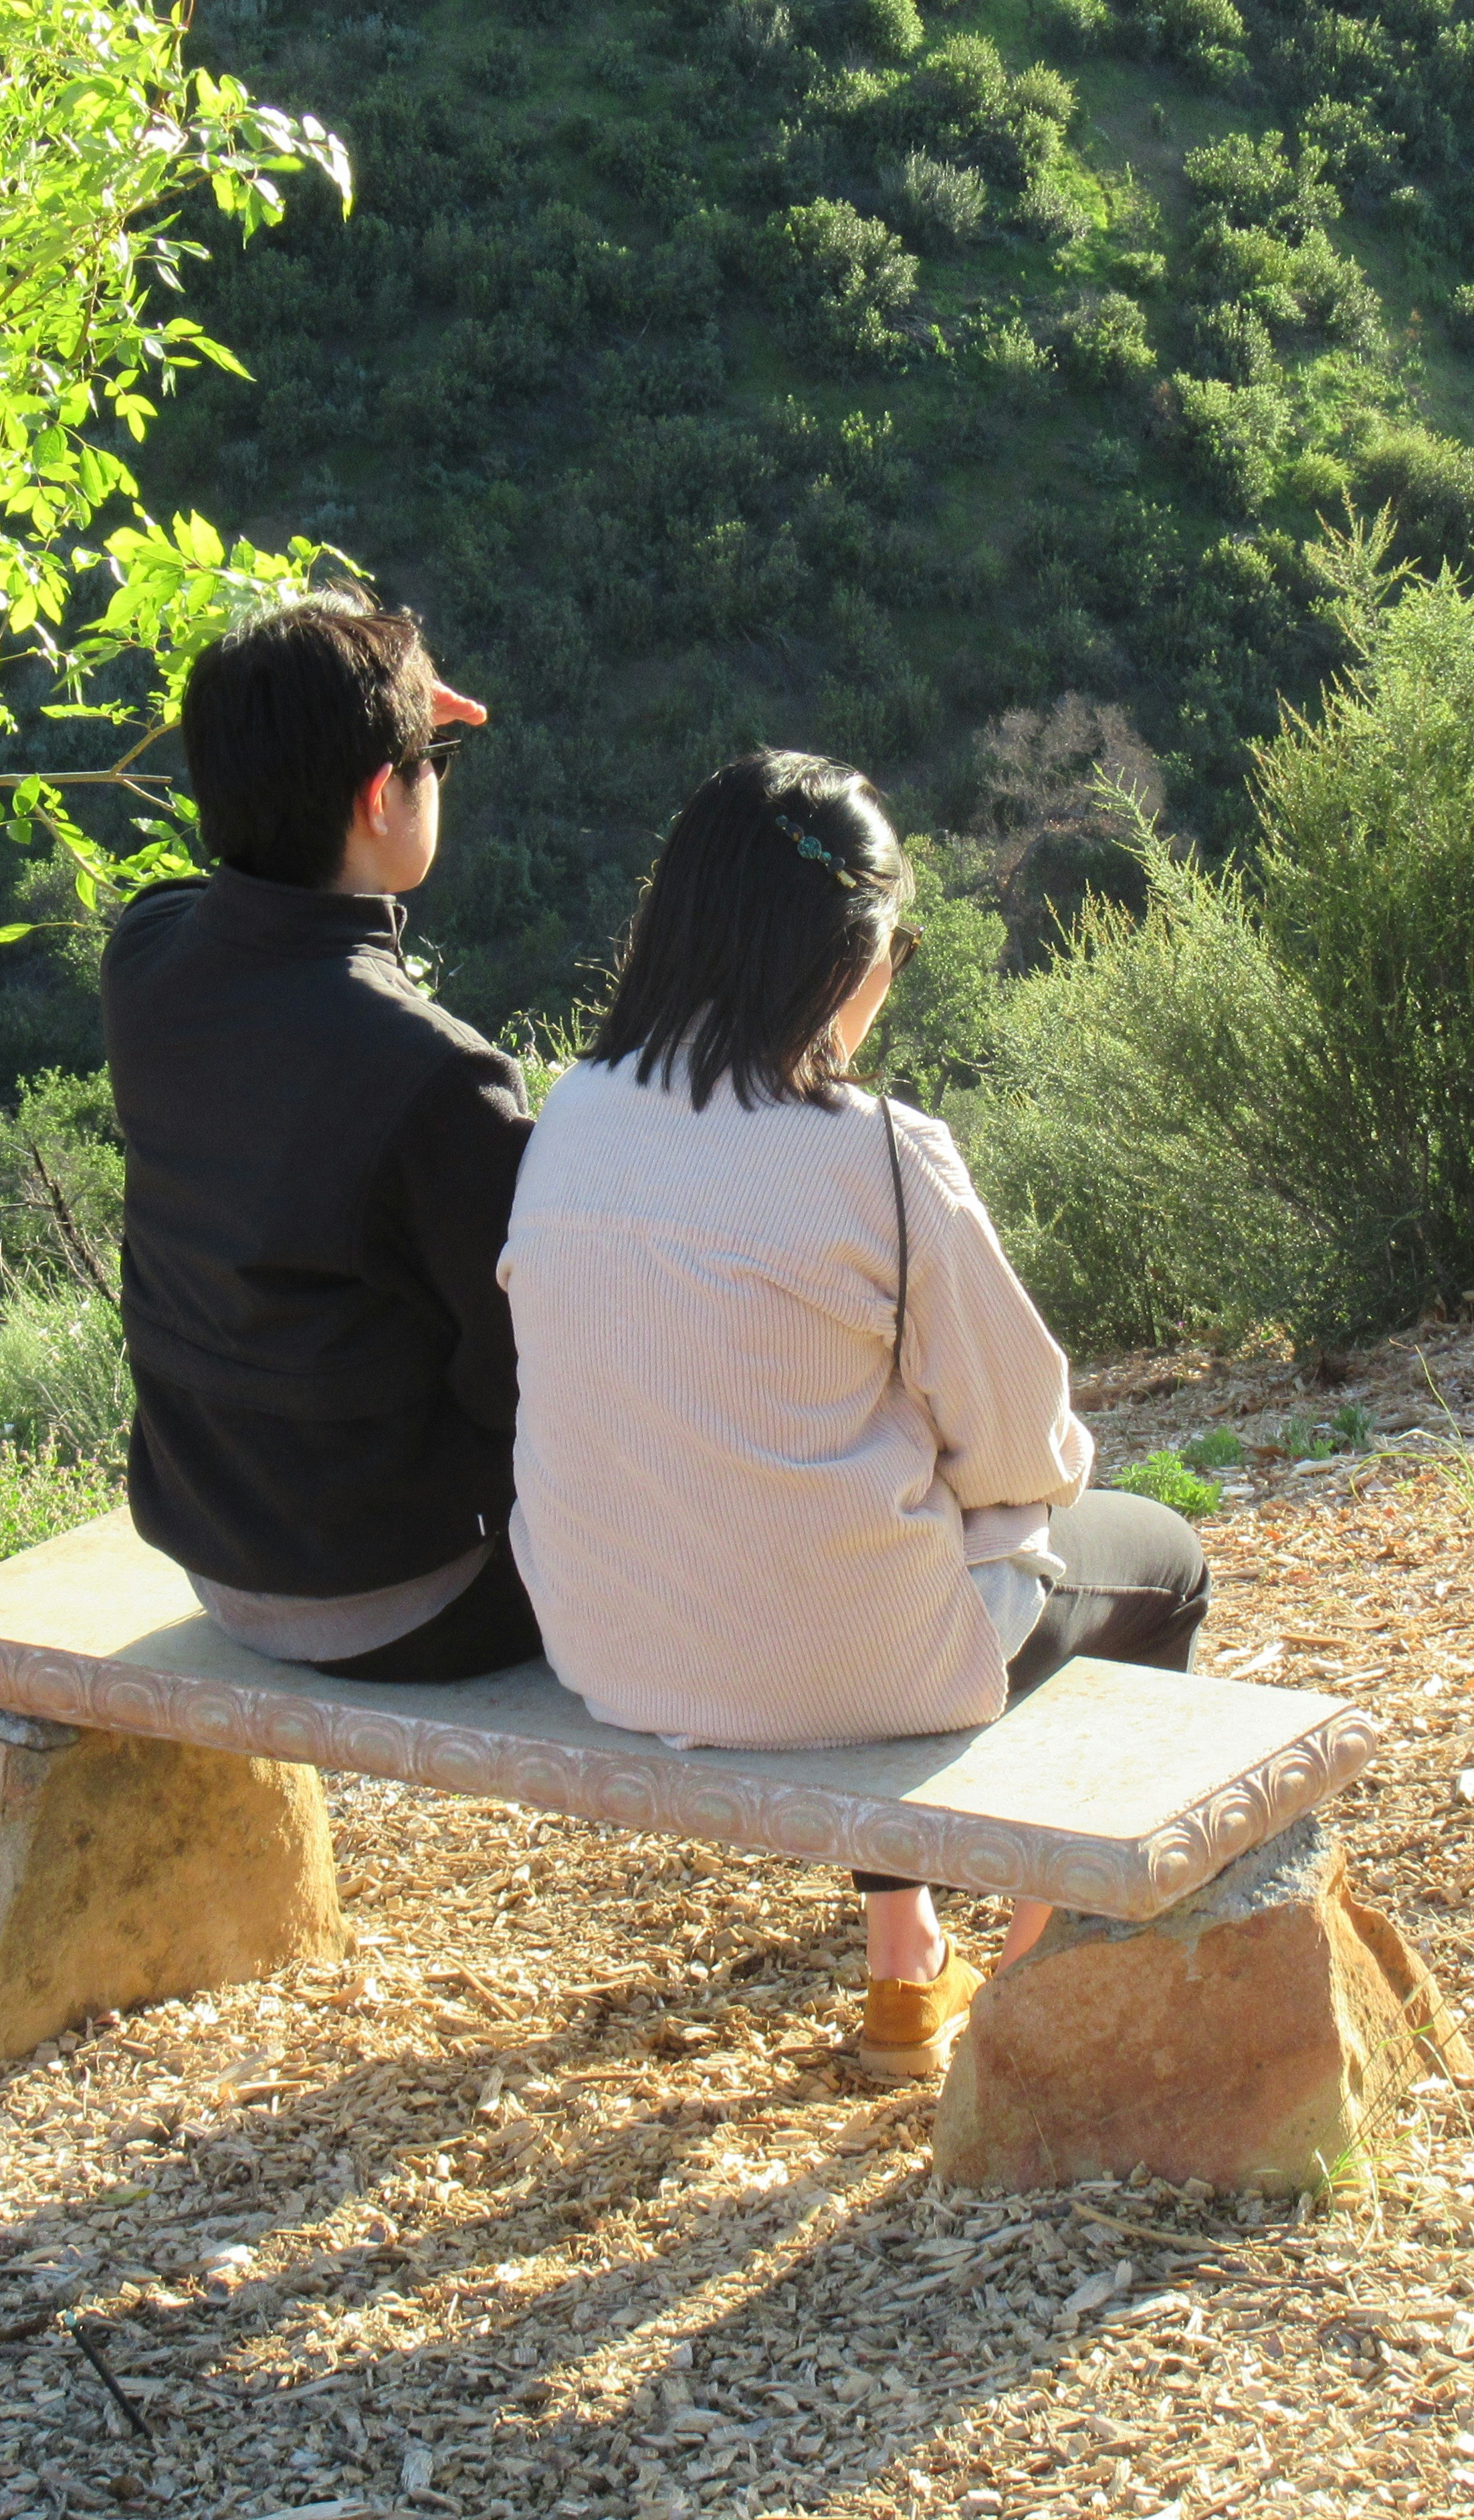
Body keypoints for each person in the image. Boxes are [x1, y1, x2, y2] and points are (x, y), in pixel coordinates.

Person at [501, 749, 1210, 2078]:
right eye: (894, 945)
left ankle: (904, 1968)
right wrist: (982, 1496)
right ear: (841, 958)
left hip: (612, 1642)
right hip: (838, 1654)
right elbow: (1029, 1444)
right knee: (1160, 1566)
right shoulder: (879, 1152)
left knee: (850, 1560)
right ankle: (1040, 1989)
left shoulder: (572, 1117)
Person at [102, 592, 542, 1684]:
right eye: (431, 759)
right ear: (377, 798)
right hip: (403, 1593)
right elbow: (530, 1377)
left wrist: (358, 707)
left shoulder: (148, 956)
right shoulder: (442, 1079)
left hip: (217, 1546)